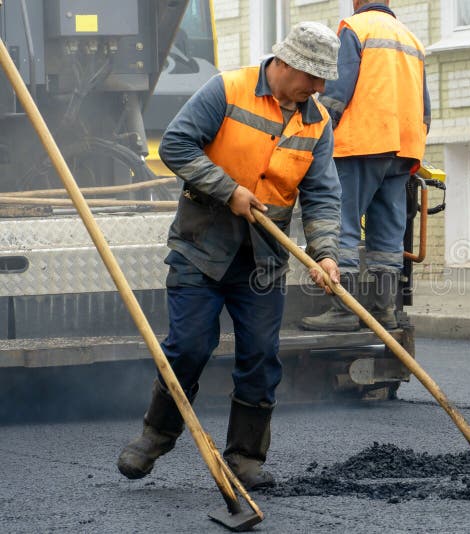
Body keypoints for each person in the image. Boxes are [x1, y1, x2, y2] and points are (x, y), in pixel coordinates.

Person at [117, 21, 343, 490]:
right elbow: (177, 145)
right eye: (313, 77)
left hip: (263, 260)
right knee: (189, 347)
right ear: (285, 64)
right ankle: (155, 436)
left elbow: (321, 195)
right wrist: (228, 190)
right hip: (202, 246)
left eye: (323, 80)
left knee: (261, 356)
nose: (319, 88)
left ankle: (245, 459)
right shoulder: (227, 89)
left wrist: (324, 254)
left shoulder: (317, 122)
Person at [300, 0, 430, 332]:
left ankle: (343, 310)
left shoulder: (354, 29)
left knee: (341, 224)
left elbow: (335, 93)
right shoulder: (412, 39)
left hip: (361, 143)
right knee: (388, 232)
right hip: (404, 148)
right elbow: (425, 107)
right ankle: (384, 311)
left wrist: (313, 133)